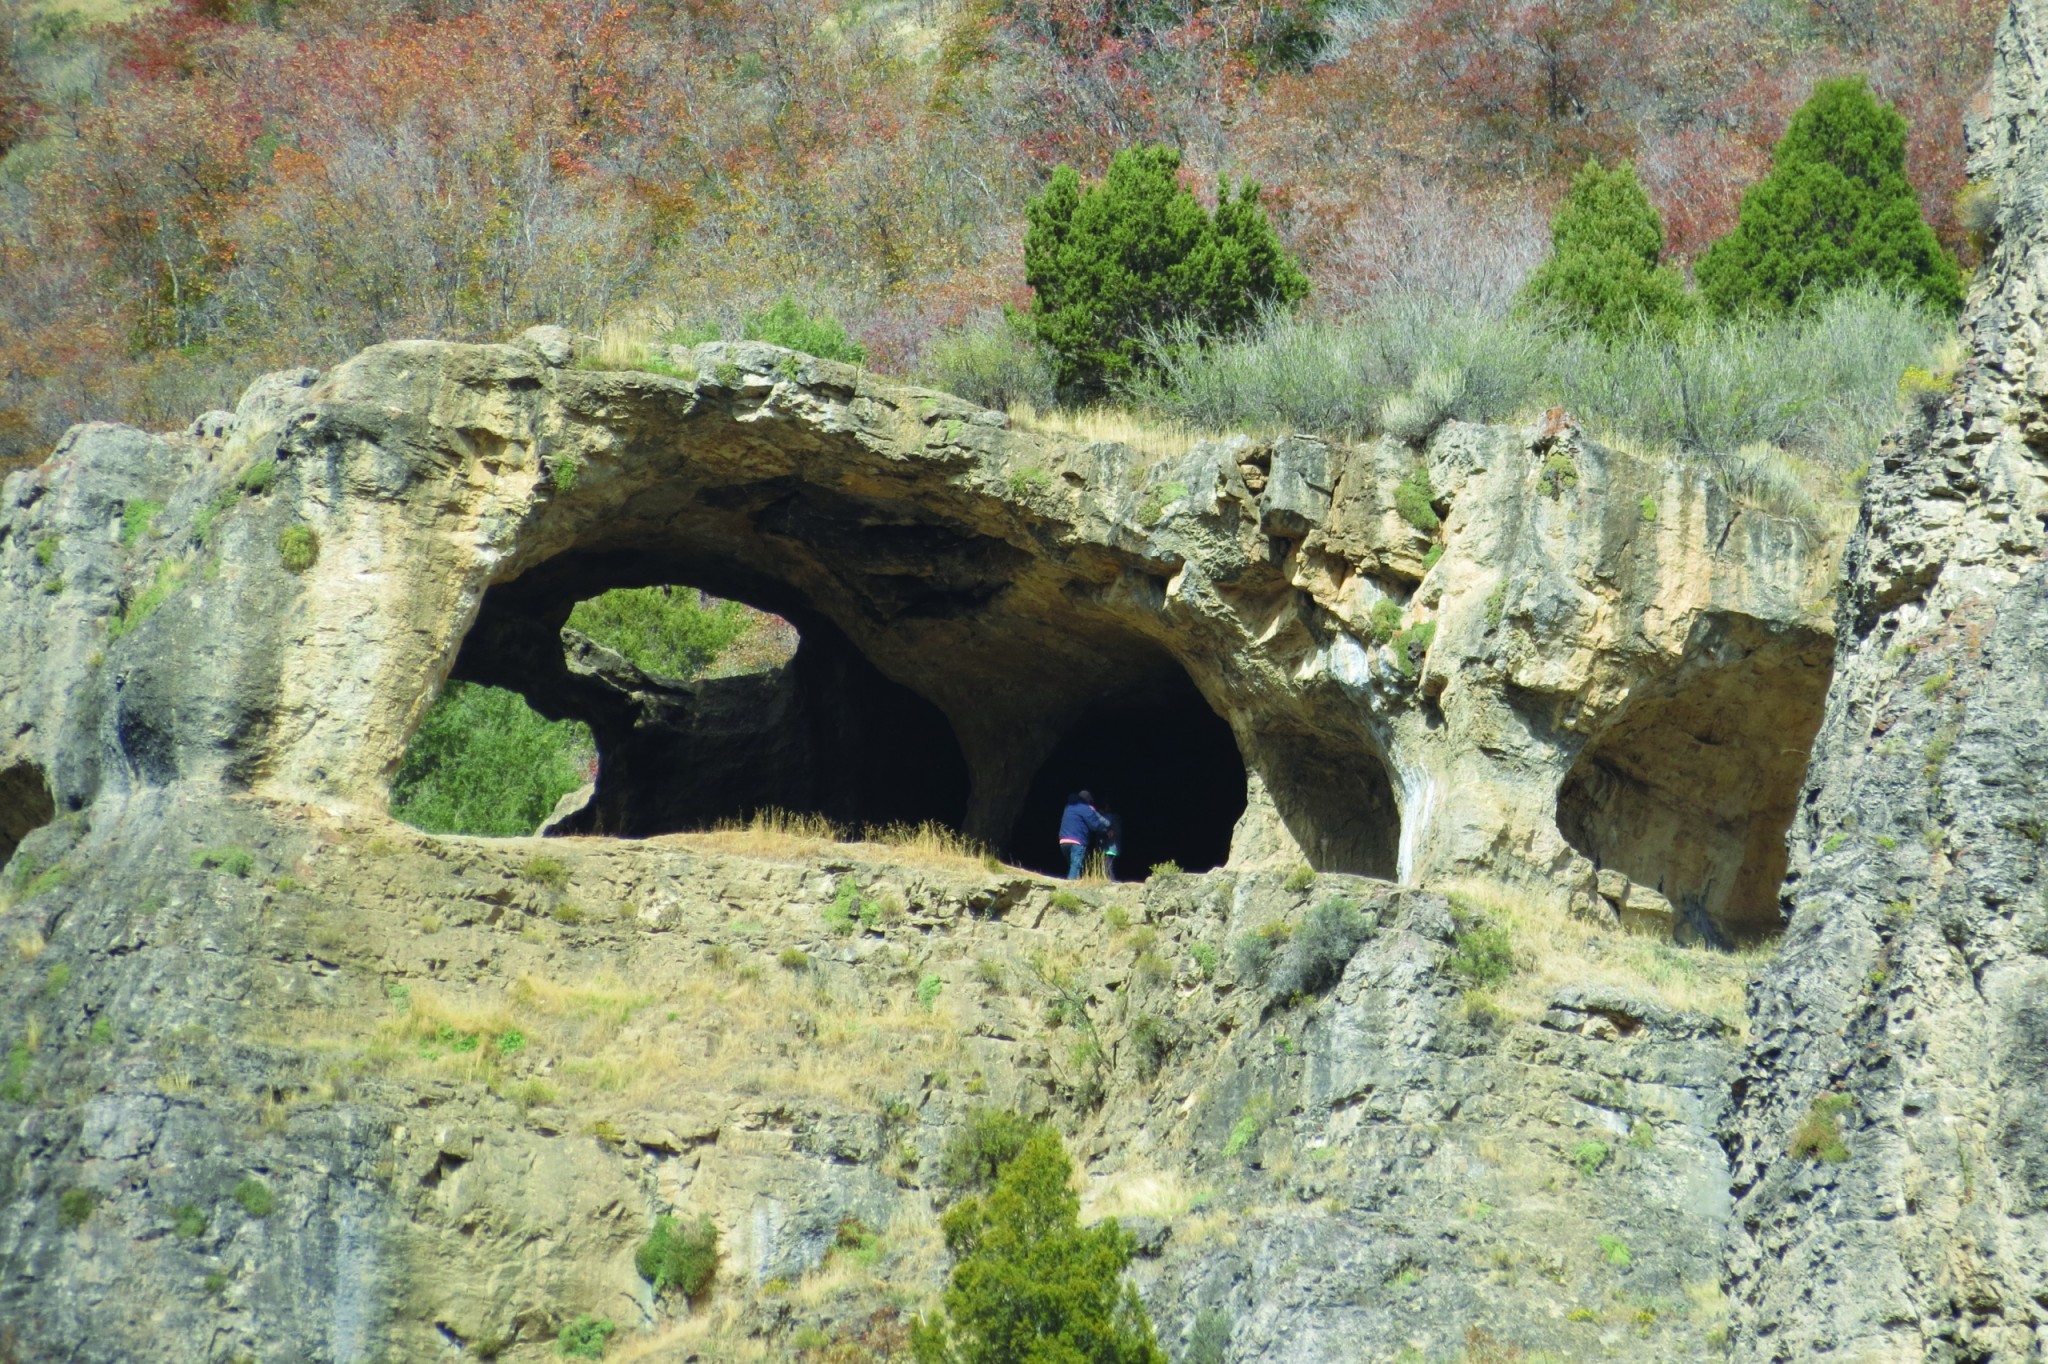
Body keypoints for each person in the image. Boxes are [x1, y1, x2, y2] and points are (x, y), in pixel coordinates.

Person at [1057, 791, 1109, 880]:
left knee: (1073, 865)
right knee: (1076, 866)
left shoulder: (1068, 807)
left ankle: (1072, 882)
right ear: (1088, 800)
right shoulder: (1085, 808)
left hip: (1063, 841)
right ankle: (1071, 889)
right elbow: (1095, 825)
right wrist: (1106, 830)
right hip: (1077, 841)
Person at [1097, 808, 1123, 882]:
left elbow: (1102, 828)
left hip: (1108, 847)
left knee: (1107, 866)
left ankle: (1111, 880)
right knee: (1110, 866)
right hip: (1114, 847)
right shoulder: (1117, 820)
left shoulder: (1108, 818)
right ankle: (1111, 880)